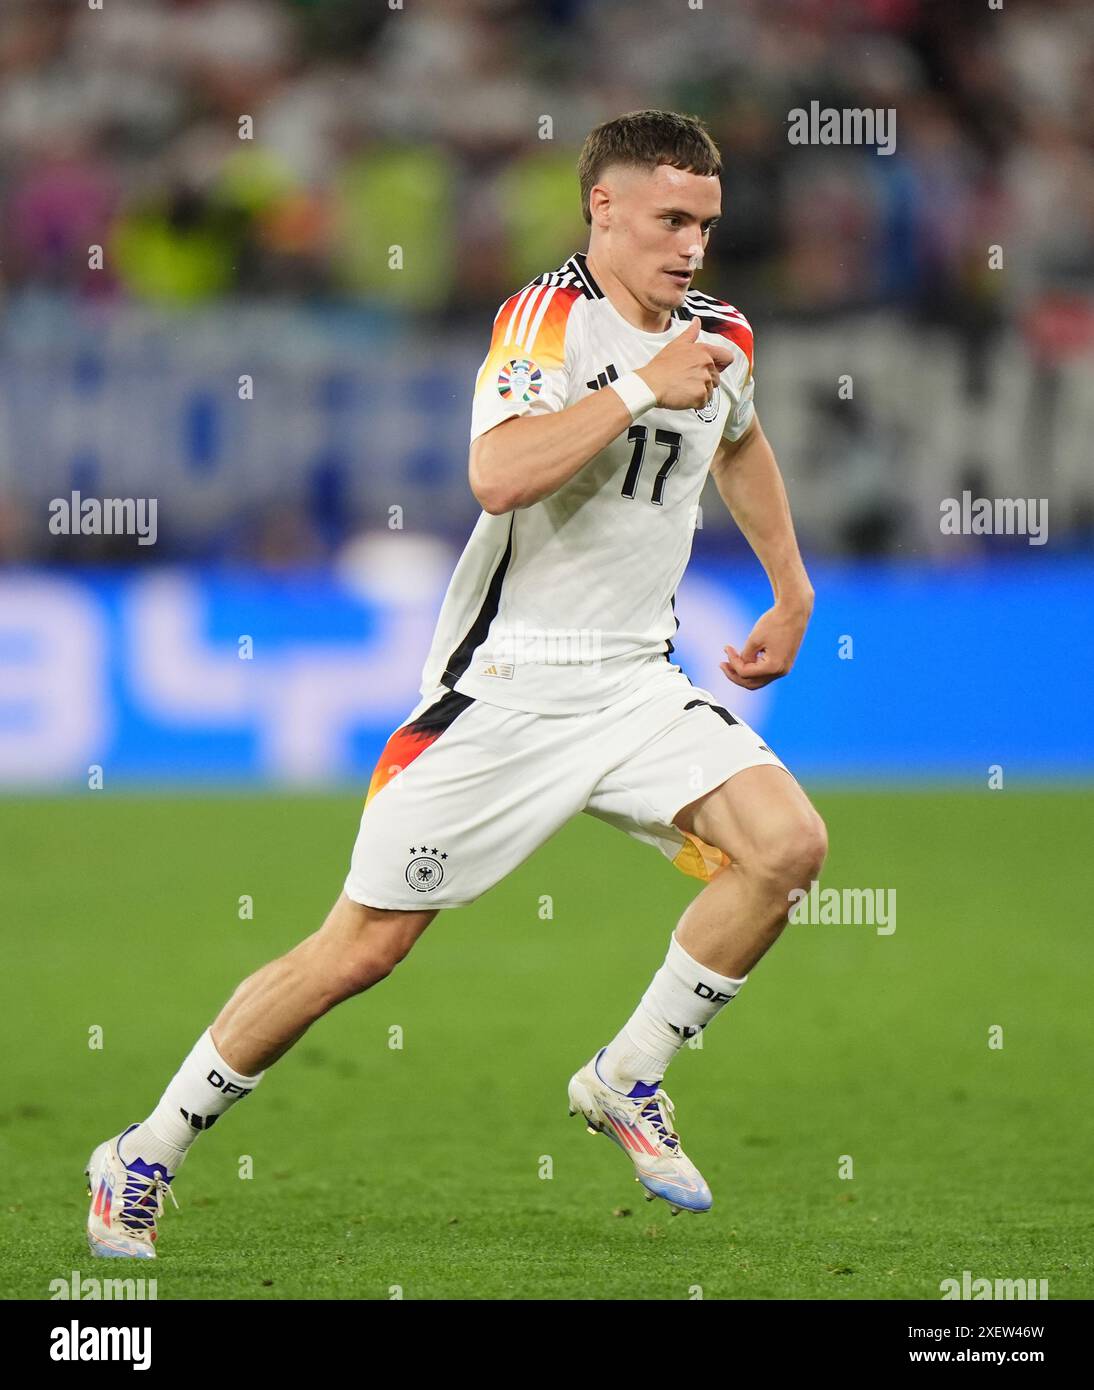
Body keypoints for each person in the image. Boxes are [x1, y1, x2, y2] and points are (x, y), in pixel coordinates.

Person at [85, 109, 826, 1258]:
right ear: (604, 208)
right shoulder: (543, 321)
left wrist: (788, 588)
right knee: (359, 951)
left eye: (706, 223)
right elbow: (496, 475)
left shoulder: (718, 332)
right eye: (669, 220)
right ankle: (144, 1148)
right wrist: (639, 387)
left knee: (786, 849)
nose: (690, 245)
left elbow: (736, 439)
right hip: (503, 693)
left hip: (634, 684)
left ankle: (627, 1073)